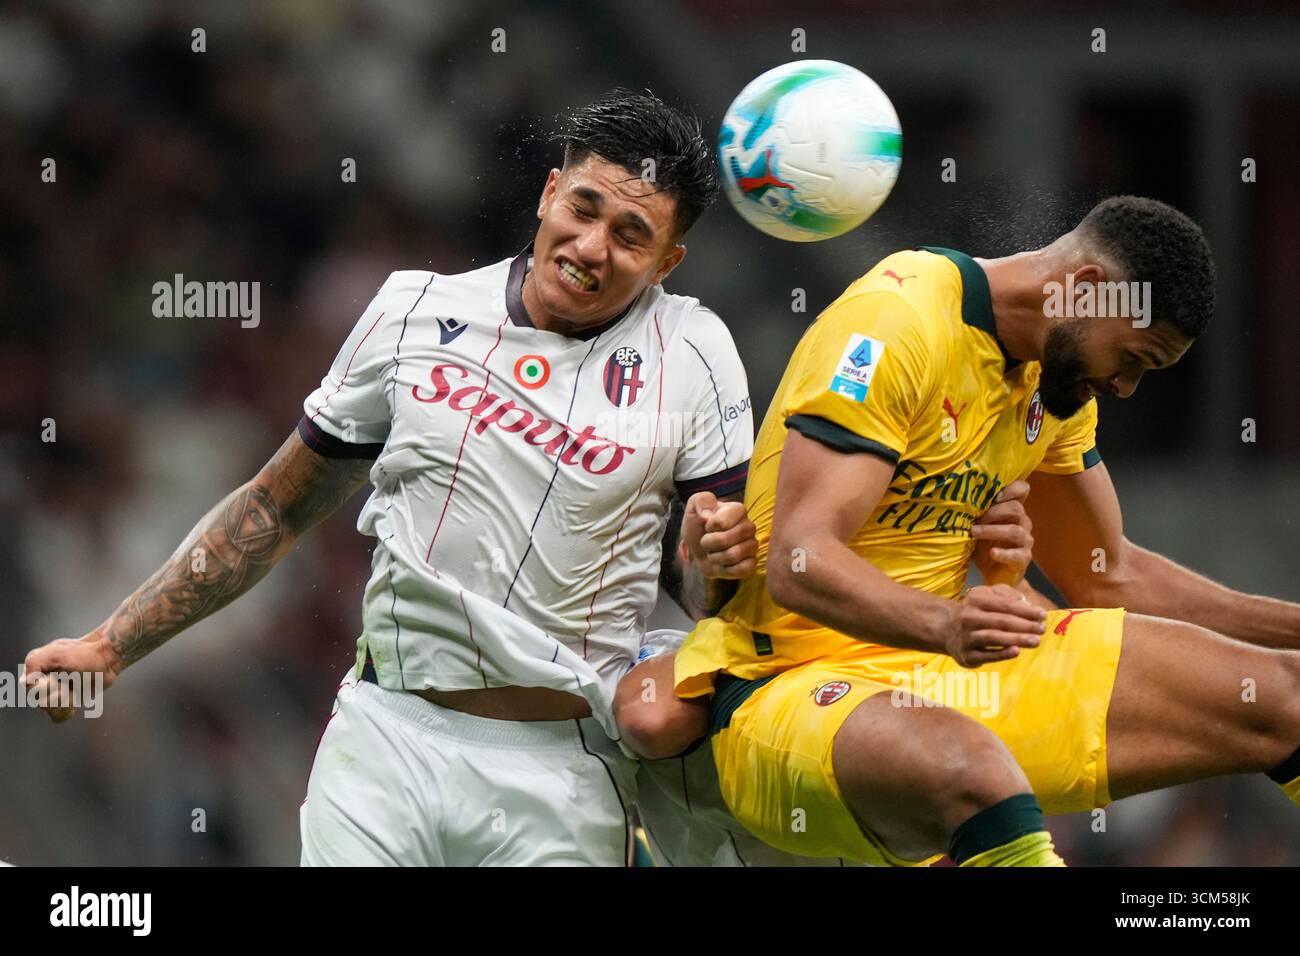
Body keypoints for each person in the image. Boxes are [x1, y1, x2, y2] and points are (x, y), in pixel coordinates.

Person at [23, 90, 759, 866]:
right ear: (549, 193)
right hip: (385, 740)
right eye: (583, 207)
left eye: (631, 235)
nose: (591, 245)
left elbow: (707, 598)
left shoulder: (696, 355)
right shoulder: (412, 311)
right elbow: (274, 510)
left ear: (667, 261)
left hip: (564, 771)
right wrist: (110, 646)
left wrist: (716, 566)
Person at [624, 196, 1300, 867]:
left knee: (1287, 697)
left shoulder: (1054, 378)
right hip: (792, 687)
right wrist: (948, 623)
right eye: (1134, 358)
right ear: (1089, 293)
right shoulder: (898, 323)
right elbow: (800, 562)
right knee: (972, 768)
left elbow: (1106, 575)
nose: (1126, 386)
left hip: (951, 674)